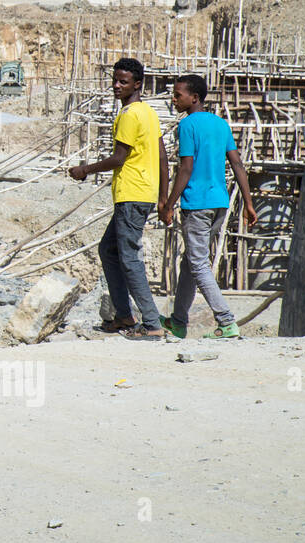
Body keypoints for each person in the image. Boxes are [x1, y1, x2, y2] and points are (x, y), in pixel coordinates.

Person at [68, 57, 168, 337]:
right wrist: (162, 197)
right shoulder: (149, 113)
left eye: (123, 82)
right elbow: (162, 156)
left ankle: (151, 324)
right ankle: (123, 316)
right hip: (143, 193)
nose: (116, 86)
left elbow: (119, 158)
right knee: (108, 250)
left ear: (138, 84)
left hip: (131, 193)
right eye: (115, 80)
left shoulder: (129, 115)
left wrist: (84, 169)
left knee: (128, 258)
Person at [160, 74, 257, 339]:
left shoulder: (188, 125)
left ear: (195, 98)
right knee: (190, 264)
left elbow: (186, 167)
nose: (174, 99)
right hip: (219, 203)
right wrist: (248, 203)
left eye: (178, 95)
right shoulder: (220, 124)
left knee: (198, 264)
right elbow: (237, 165)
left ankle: (226, 321)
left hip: (197, 204)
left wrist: (169, 203)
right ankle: (178, 321)